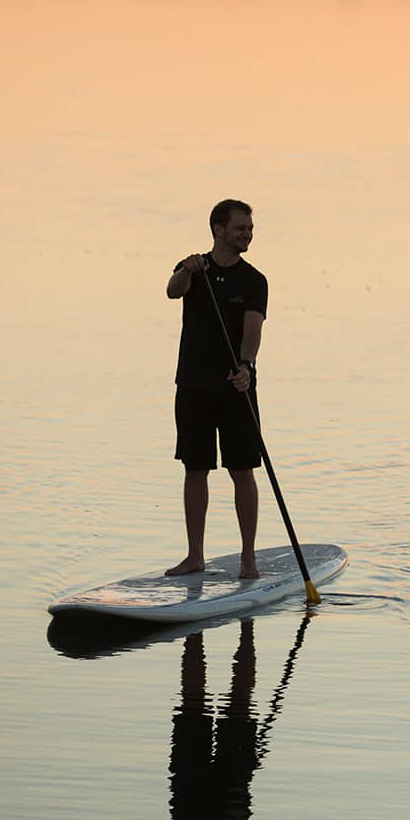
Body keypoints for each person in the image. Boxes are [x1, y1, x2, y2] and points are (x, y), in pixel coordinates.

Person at [165, 199, 268, 580]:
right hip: (193, 385)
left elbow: (253, 330)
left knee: (242, 469)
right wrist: (186, 271)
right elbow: (172, 291)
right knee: (196, 468)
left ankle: (248, 559)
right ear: (218, 229)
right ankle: (195, 556)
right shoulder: (194, 269)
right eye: (240, 228)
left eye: (250, 228)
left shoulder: (255, 280)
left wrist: (246, 367)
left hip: (235, 386)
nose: (247, 234)